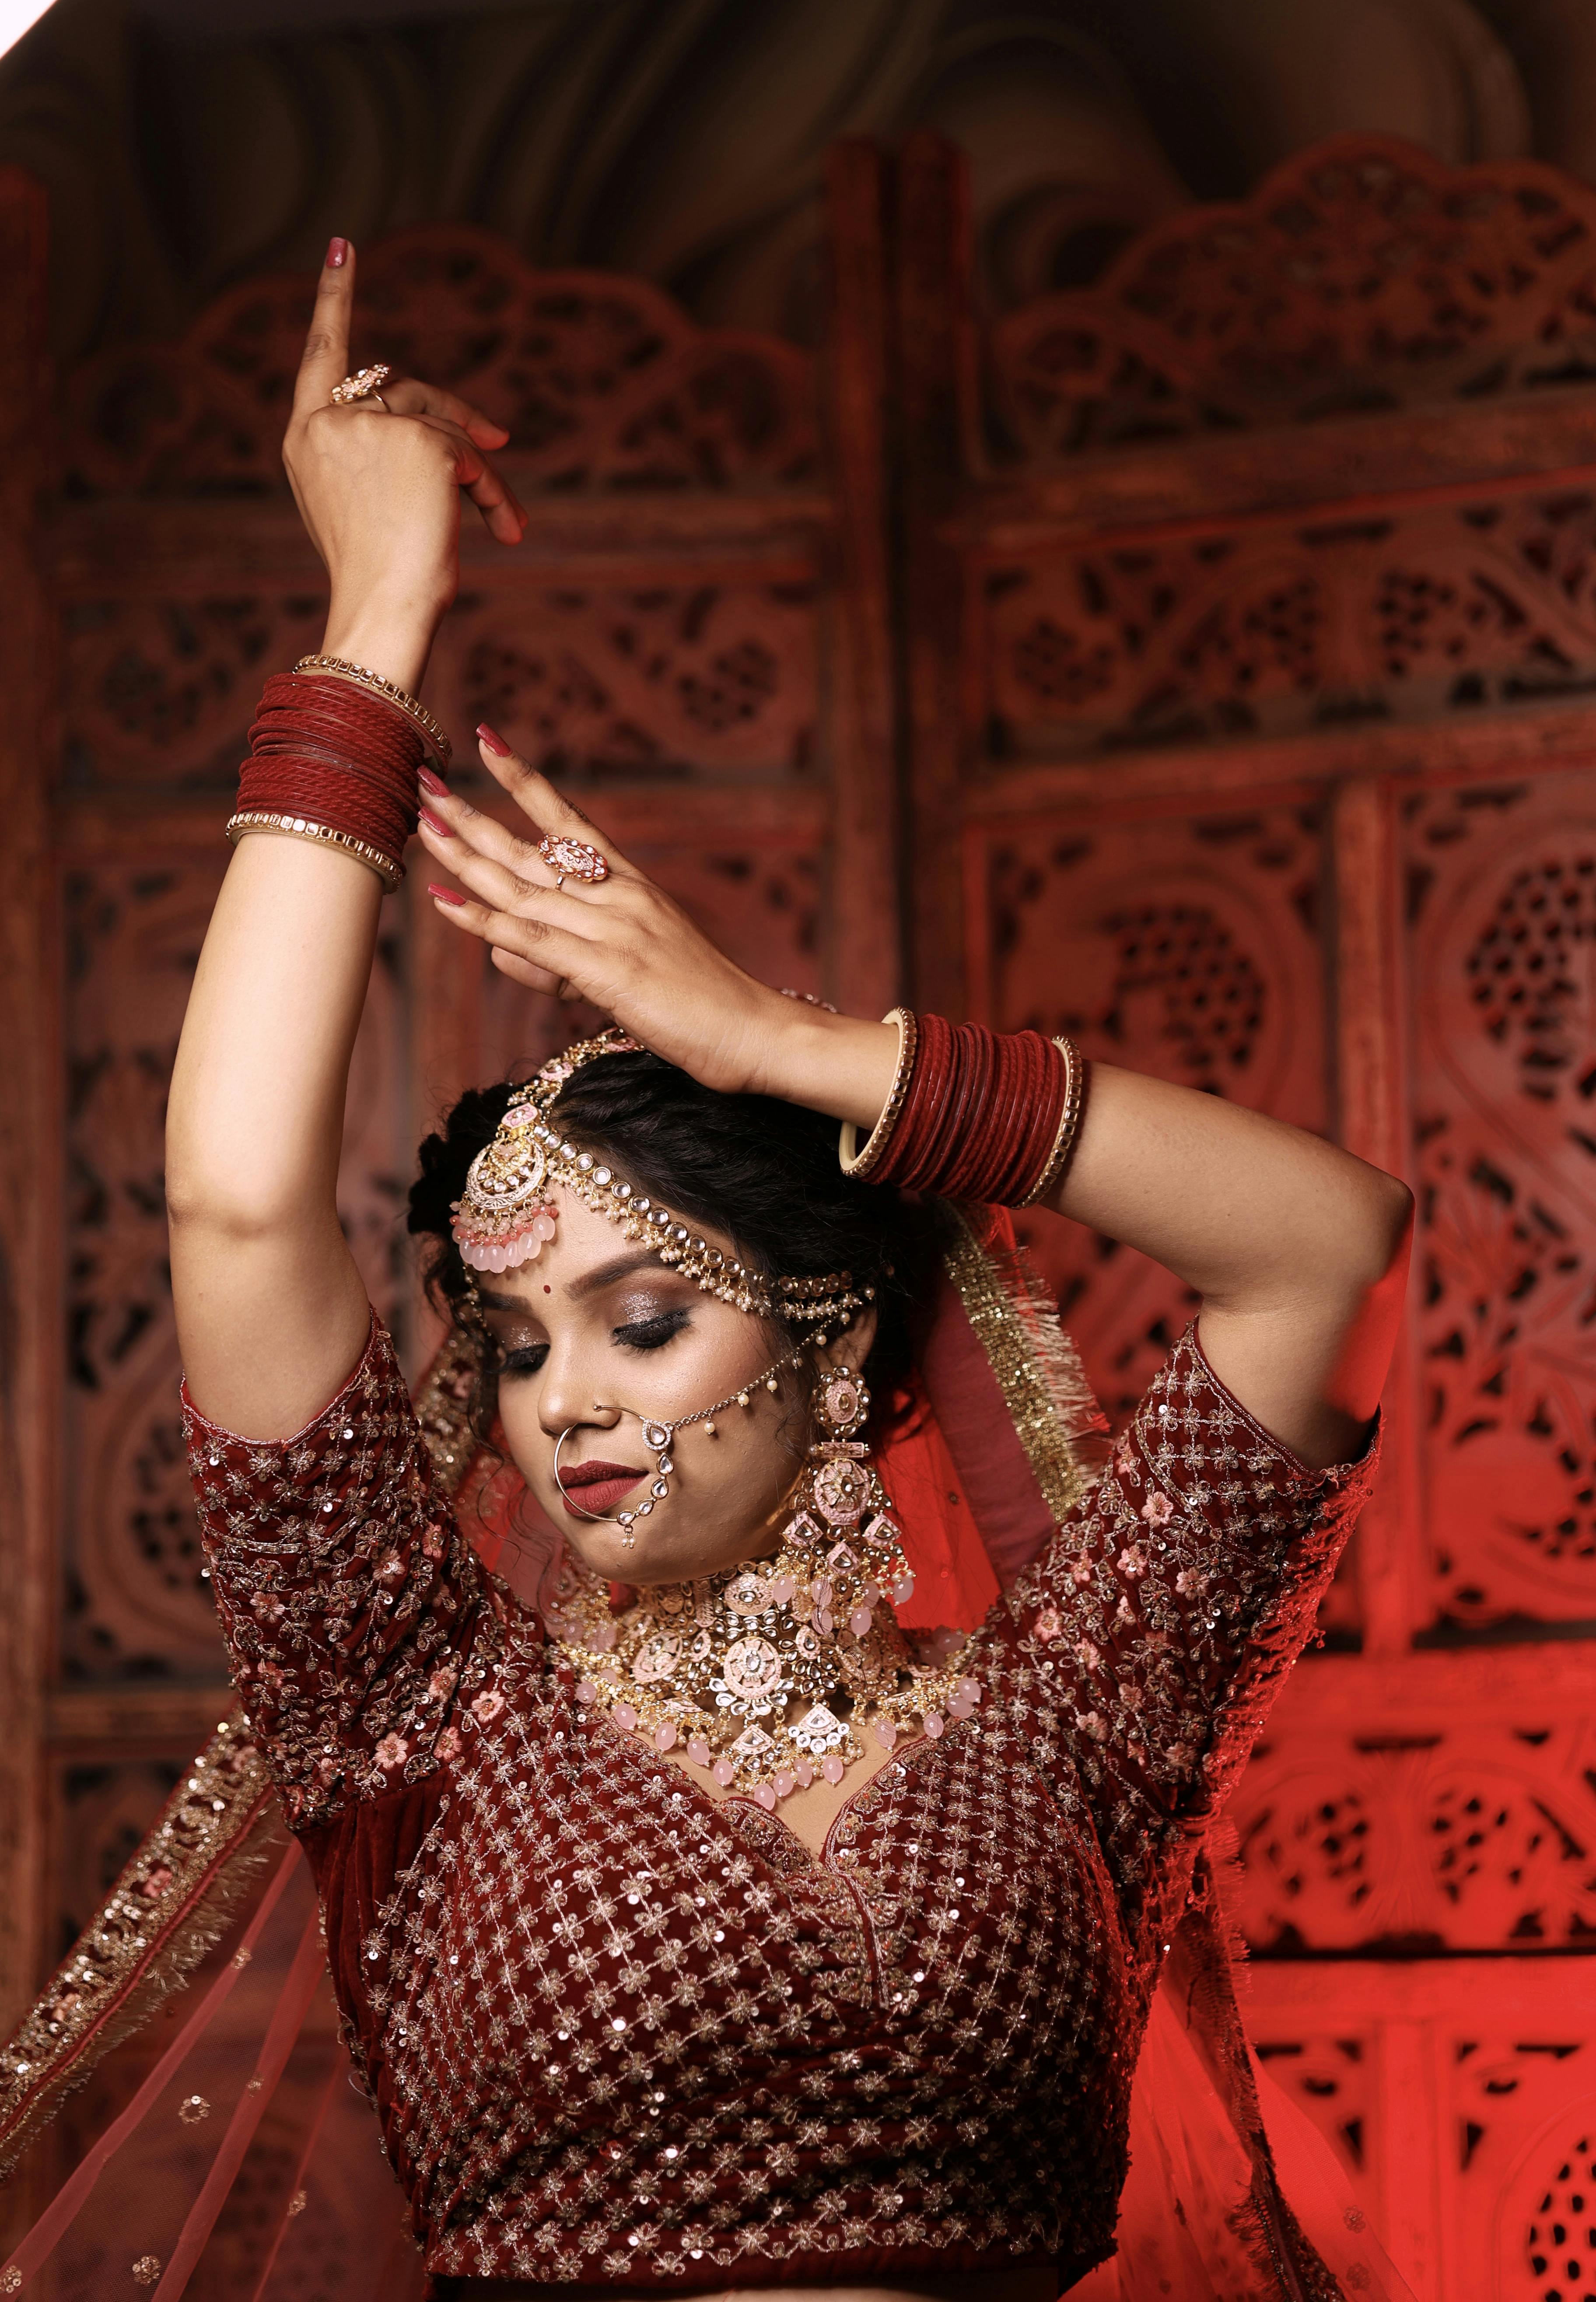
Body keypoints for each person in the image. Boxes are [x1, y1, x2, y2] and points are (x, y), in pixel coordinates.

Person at [5, 241, 1416, 2302]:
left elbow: (1331, 1245)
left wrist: (790, 1048)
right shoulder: (417, 1718)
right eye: (508, 1341)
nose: (557, 1394)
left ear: (833, 1341)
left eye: (642, 1317)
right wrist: (370, 634)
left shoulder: (1080, 1719)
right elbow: (231, 1199)